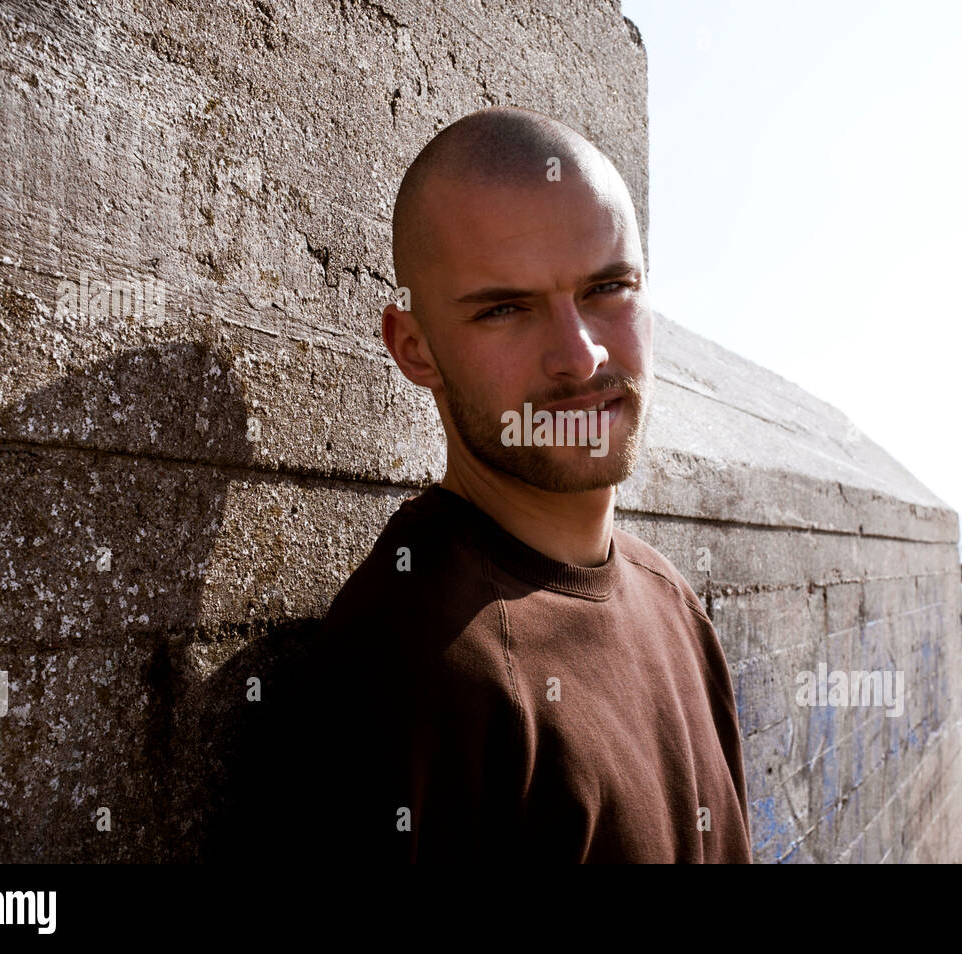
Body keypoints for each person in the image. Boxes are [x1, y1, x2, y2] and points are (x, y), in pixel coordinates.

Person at [218, 106, 752, 864]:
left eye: (607, 289)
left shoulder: (673, 604)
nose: (580, 355)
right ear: (416, 347)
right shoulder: (411, 666)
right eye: (505, 308)